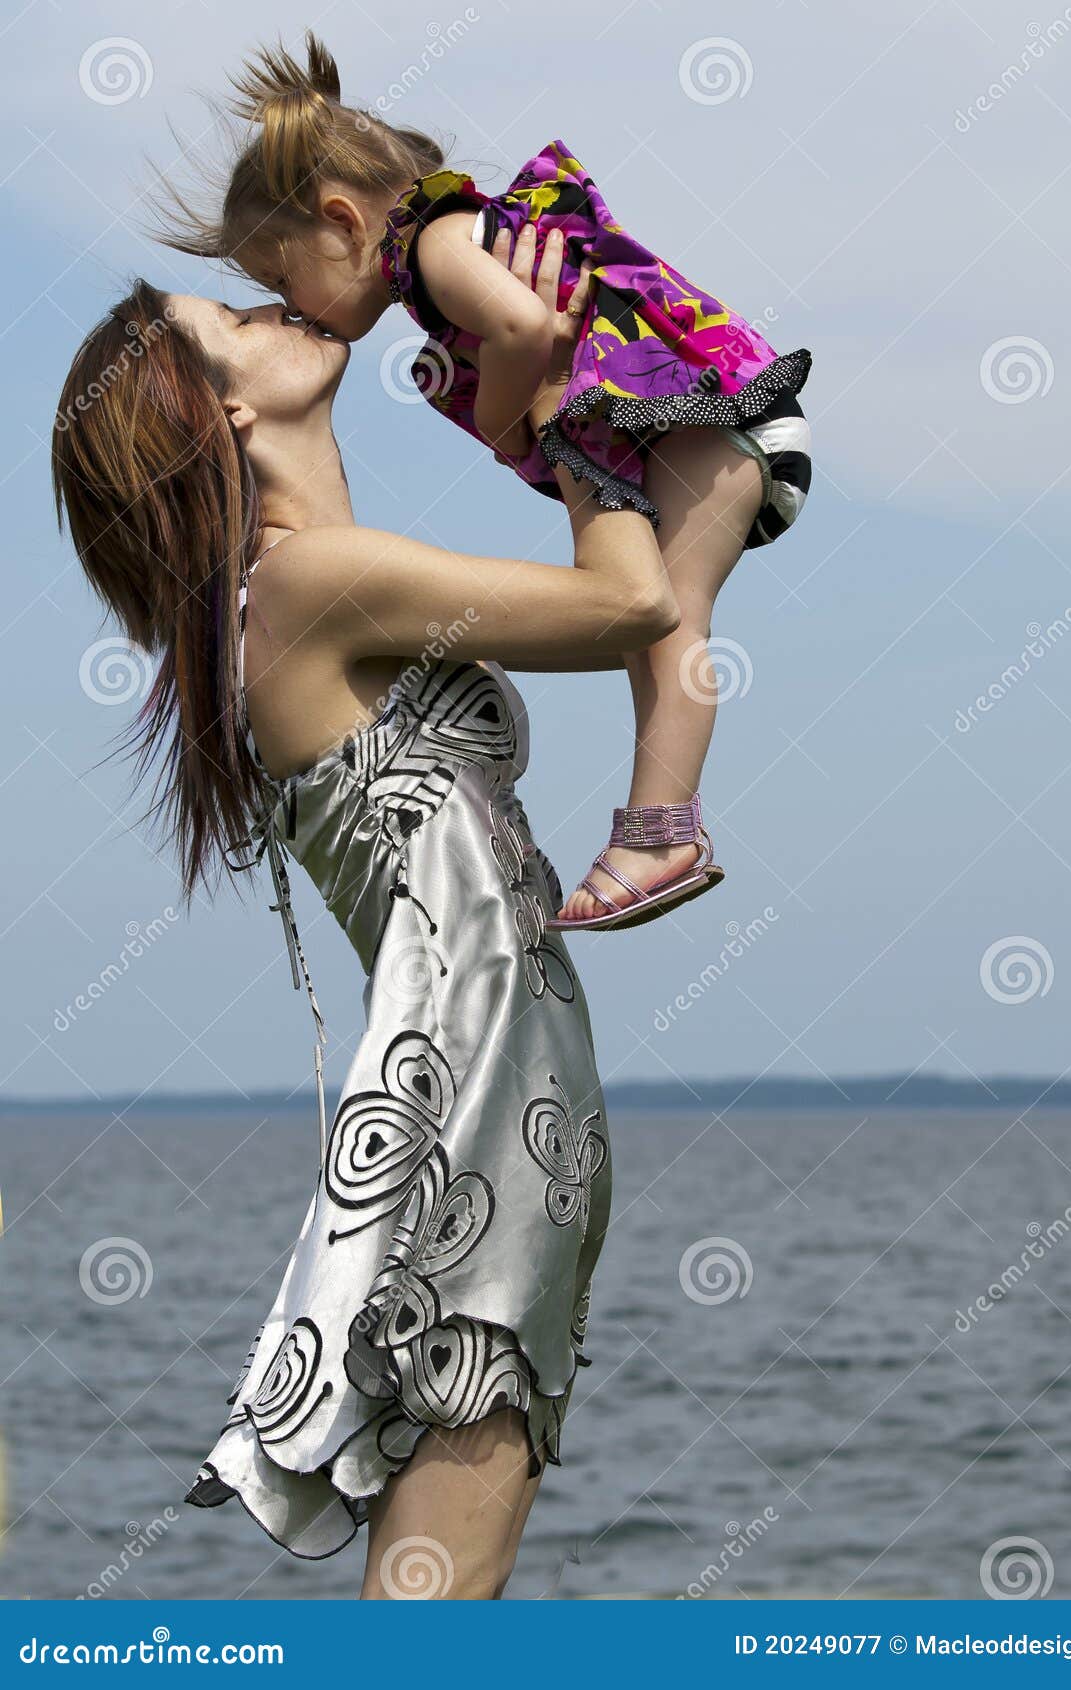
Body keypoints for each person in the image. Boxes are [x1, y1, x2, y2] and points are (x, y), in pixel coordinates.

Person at [52, 233, 677, 1596]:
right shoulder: (312, 582)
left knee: (445, 1576)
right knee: (445, 1594)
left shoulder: (289, 593)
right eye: (231, 317)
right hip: (480, 1119)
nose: (274, 304)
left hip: (495, 1106)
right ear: (217, 411)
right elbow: (633, 602)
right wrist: (574, 391)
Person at [157, 31, 814, 932]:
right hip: (702, 425)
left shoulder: (439, 245)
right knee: (660, 620)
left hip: (710, 420)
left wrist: (515, 418)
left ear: (344, 221)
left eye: (278, 275)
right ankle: (660, 827)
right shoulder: (443, 256)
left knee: (666, 616)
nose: (291, 305)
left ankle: (661, 831)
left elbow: (526, 330)